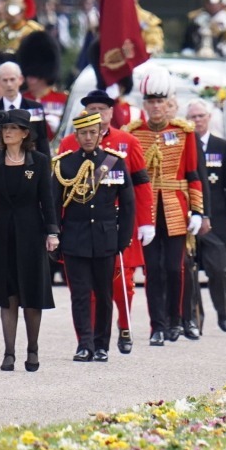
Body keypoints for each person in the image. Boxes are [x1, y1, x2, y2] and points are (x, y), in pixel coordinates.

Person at [57, 90, 152, 355]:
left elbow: (129, 201)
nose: (88, 137)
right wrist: (54, 234)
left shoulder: (115, 162)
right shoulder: (64, 163)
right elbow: (56, 202)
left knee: (103, 292)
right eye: (83, 133)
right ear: (77, 136)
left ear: (100, 134)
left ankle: (101, 345)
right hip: (75, 236)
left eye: (93, 133)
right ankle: (84, 344)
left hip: (106, 236)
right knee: (79, 295)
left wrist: (124, 237)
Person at [126, 70, 203, 345]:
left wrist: (197, 210)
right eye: (151, 101)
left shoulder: (183, 132)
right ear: (144, 104)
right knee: (152, 270)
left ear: (167, 102)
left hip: (175, 207)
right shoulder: (133, 134)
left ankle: (175, 321)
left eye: (160, 101)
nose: (156, 106)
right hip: (145, 210)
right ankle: (156, 325)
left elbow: (193, 174)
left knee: (174, 267)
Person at [0, 108, 57, 372]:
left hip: (31, 233)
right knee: (7, 292)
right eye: (4, 128)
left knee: (32, 292)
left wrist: (52, 231)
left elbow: (47, 199)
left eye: (13, 128)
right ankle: (9, 352)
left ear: (25, 133)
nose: (7, 132)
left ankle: (32, 350)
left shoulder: (40, 160)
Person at [188, 99, 226, 334]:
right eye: (192, 117)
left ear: (209, 118)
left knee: (219, 269)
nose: (197, 121)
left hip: (217, 219)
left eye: (200, 116)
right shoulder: (183, 145)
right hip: (188, 218)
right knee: (188, 270)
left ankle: (222, 309)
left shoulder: (223, 146)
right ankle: (194, 316)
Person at [0, 61, 52, 157]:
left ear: (20, 79)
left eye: (12, 79)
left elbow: (42, 141)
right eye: (5, 80)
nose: (9, 84)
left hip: (29, 166)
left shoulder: (35, 108)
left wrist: (45, 169)